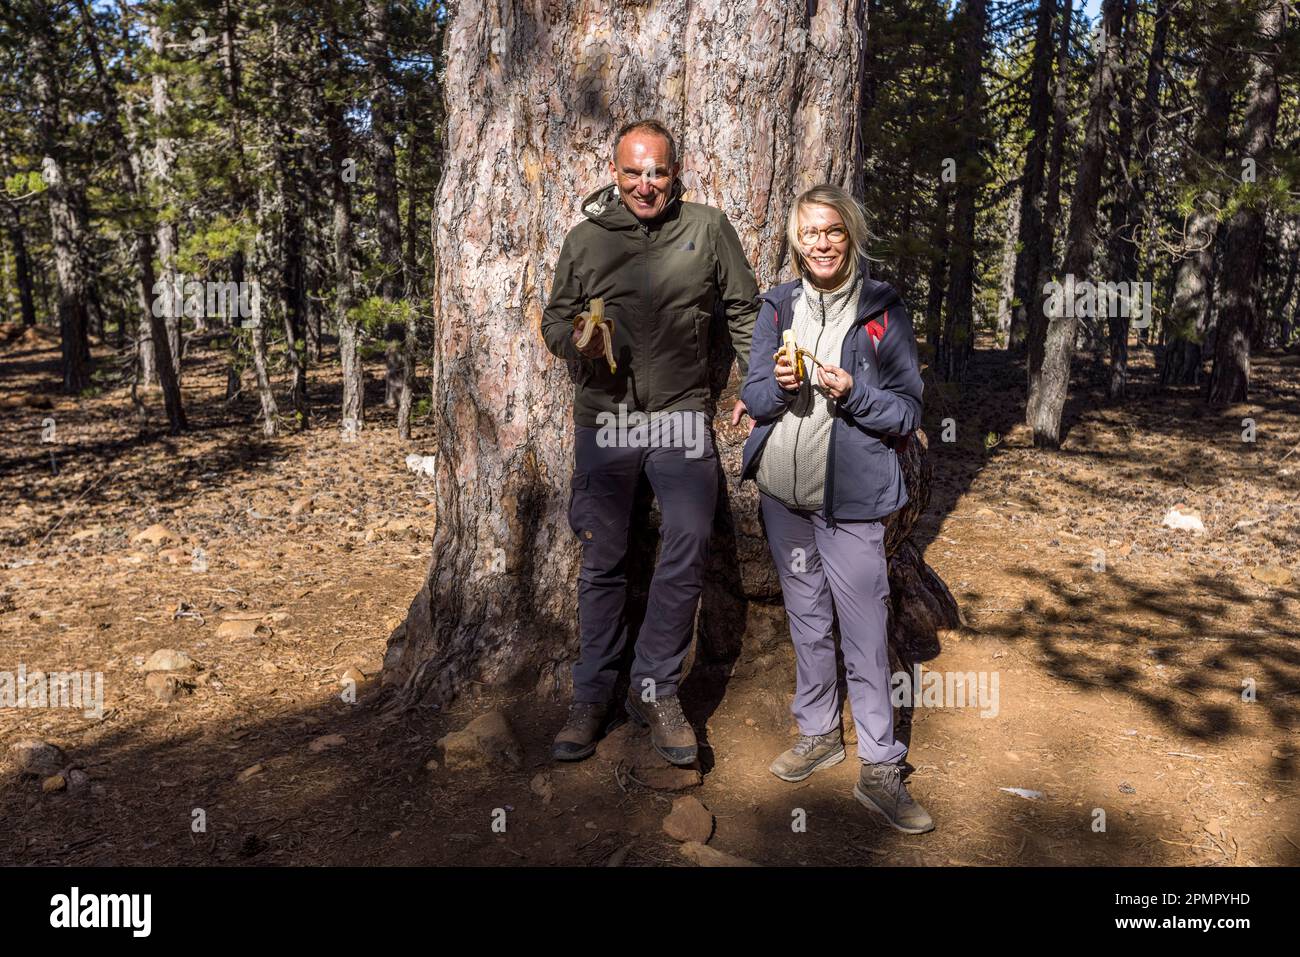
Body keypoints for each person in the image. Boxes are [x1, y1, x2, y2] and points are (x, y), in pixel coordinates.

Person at [541, 119, 758, 765]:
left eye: (657, 172)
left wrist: (759, 381)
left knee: (688, 542)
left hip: (681, 417)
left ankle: (658, 687)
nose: (645, 184)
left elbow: (744, 309)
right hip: (605, 418)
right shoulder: (585, 239)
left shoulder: (708, 229)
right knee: (603, 556)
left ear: (674, 175)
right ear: (616, 173)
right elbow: (556, 317)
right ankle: (591, 695)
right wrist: (575, 339)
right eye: (633, 172)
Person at [737, 183, 933, 833]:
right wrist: (776, 385)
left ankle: (880, 766)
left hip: (852, 497)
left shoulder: (882, 310)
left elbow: (906, 409)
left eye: (833, 231)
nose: (821, 242)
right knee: (809, 616)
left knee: (865, 628)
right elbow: (756, 393)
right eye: (810, 232)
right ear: (797, 241)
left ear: (851, 235)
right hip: (784, 494)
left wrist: (854, 393)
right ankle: (818, 731)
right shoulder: (779, 305)